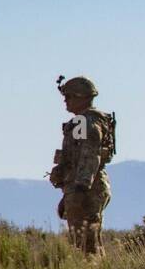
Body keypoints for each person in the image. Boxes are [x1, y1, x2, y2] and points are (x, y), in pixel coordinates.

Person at [49, 76, 115, 255]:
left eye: (69, 97)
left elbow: (89, 157)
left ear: (81, 97)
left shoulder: (87, 123)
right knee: (85, 241)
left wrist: (79, 190)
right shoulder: (82, 122)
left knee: (86, 244)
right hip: (84, 188)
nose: (65, 101)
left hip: (87, 190)